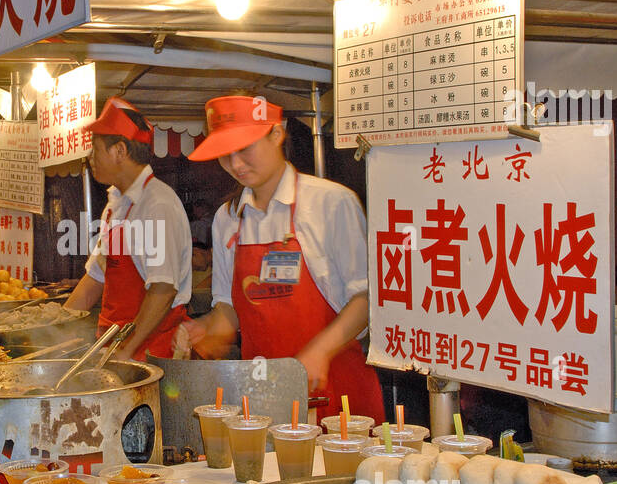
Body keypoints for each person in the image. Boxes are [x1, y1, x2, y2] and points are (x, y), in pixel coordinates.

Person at [177, 96, 385, 418]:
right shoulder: (228, 218)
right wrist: (207, 328)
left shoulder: (331, 203)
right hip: (264, 394)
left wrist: (320, 349)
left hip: (336, 393)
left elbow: (366, 299)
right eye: (224, 154)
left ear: (276, 134)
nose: (236, 164)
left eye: (244, 149)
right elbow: (229, 309)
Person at [64, 98, 192, 360]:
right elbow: (96, 277)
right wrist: (55, 327)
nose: (91, 158)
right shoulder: (116, 203)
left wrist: (127, 349)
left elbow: (163, 289)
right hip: (114, 346)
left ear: (120, 150)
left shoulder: (156, 203)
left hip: (149, 352)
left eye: (95, 149)